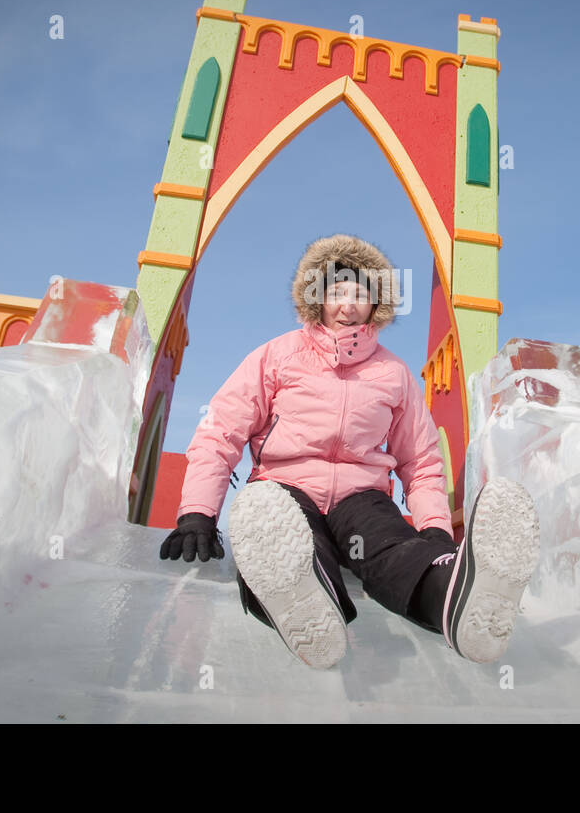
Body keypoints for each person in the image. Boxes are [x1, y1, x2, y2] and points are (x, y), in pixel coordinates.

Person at [159, 233, 539, 669]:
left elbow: (421, 461)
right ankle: (306, 605)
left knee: (390, 546)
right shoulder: (277, 356)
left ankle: (450, 598)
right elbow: (220, 430)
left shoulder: (393, 373)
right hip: (286, 489)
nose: (348, 304)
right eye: (336, 292)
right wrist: (197, 513)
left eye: (360, 293)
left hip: (360, 498)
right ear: (316, 299)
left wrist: (434, 528)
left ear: (374, 305)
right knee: (287, 540)